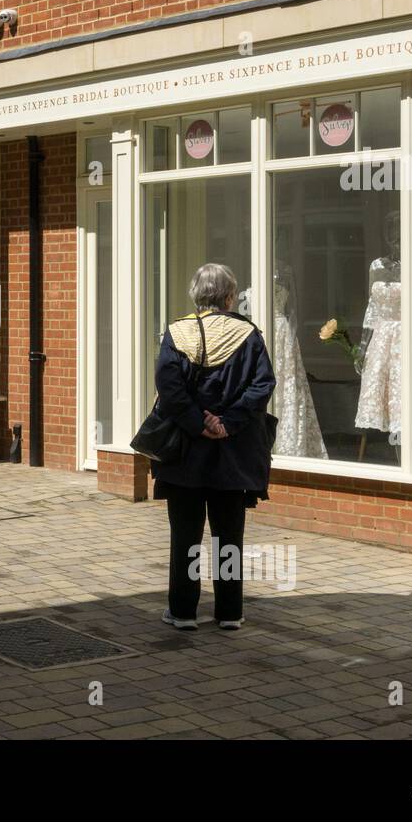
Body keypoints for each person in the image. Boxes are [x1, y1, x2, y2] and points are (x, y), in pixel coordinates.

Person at [153, 263, 276, 631]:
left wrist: (198, 423)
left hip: (186, 454)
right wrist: (227, 423)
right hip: (233, 454)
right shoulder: (250, 335)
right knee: (229, 537)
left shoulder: (177, 333)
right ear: (228, 296)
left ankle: (184, 611)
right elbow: (262, 385)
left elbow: (169, 390)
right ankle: (229, 612)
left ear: (196, 294)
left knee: (186, 536)